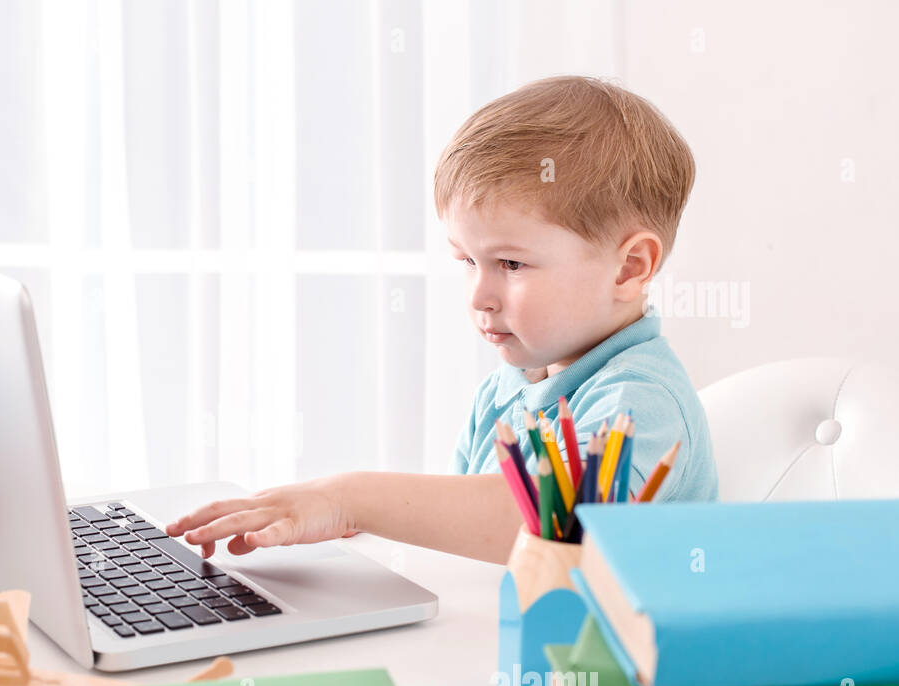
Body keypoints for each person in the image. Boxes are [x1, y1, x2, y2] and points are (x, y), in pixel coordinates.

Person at [166, 75, 718, 566]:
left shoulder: (641, 401)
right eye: (466, 261)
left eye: (510, 263)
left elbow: (548, 528)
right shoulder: (507, 390)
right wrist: (369, 522)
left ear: (629, 267)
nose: (479, 294)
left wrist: (352, 497)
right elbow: (469, 541)